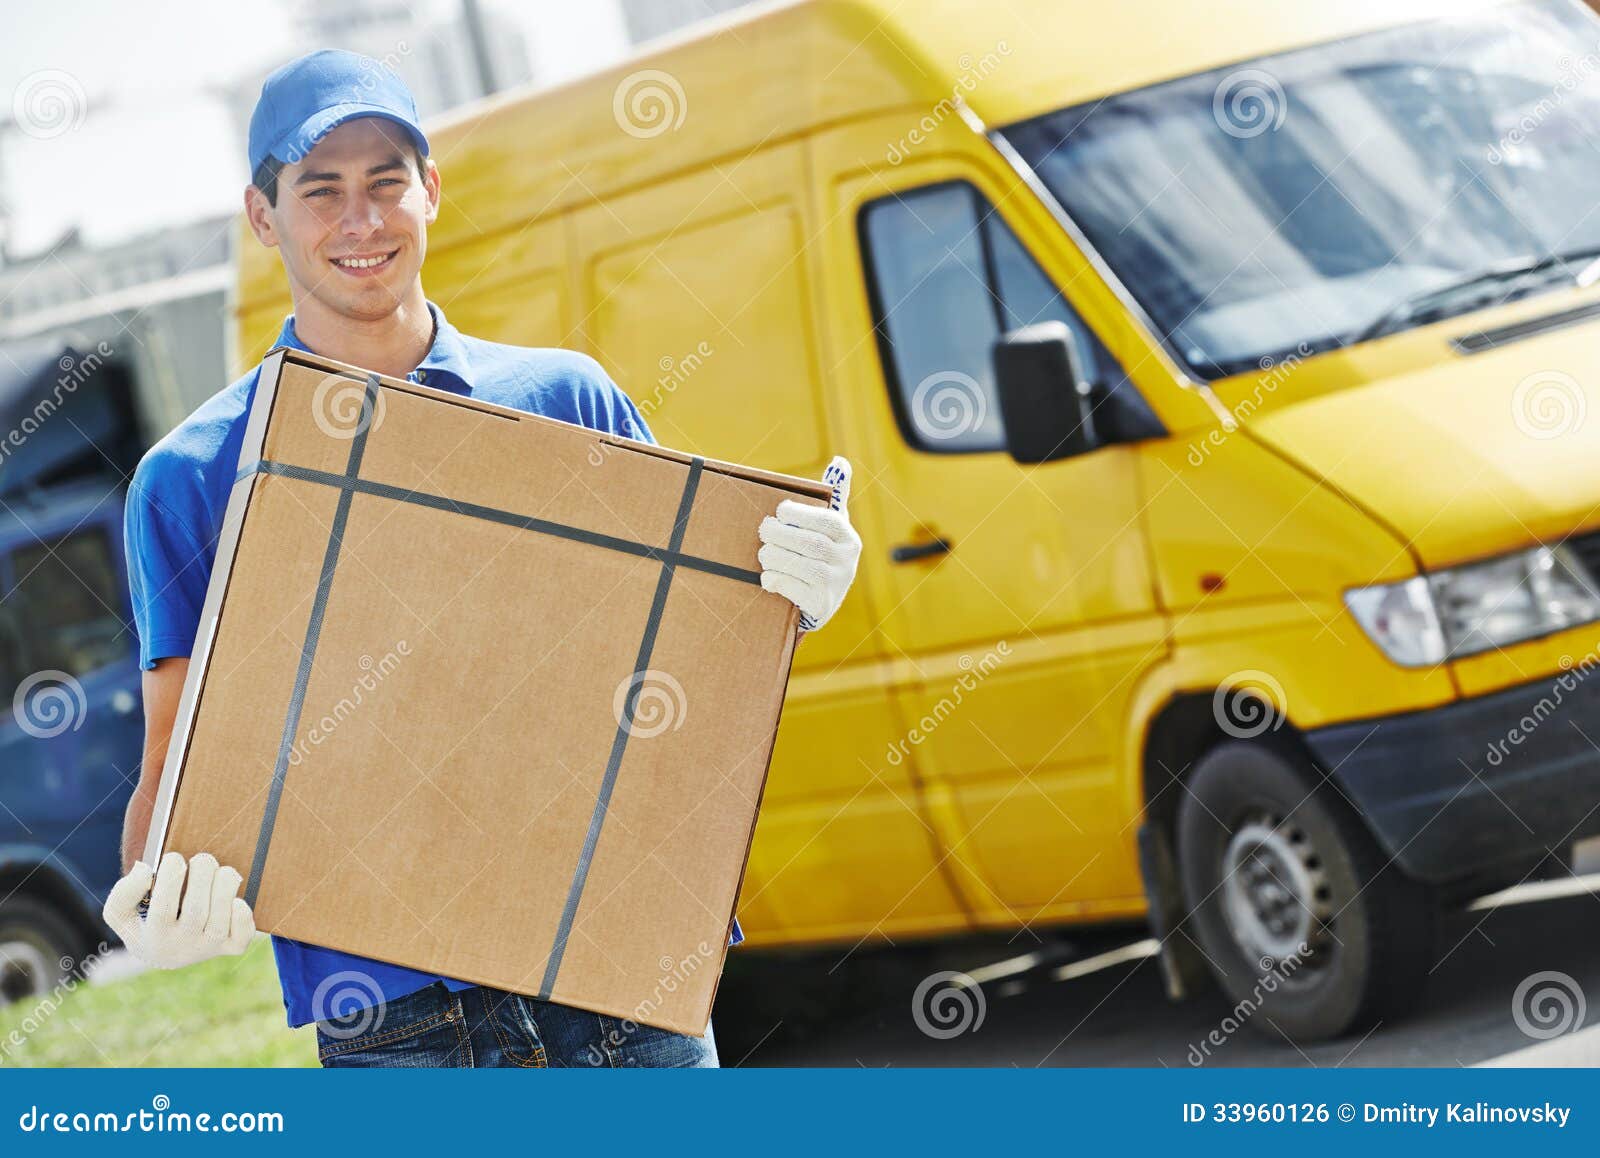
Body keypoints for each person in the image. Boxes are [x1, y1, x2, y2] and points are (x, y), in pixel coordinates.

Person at [101, 50, 861, 1069]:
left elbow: (684, 661)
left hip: (623, 992)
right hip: (397, 1033)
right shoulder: (193, 477)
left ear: (432, 191)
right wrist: (154, 895)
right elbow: (174, 771)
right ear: (261, 215)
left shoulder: (566, 402)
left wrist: (787, 600)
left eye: (386, 182)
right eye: (319, 189)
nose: (360, 219)